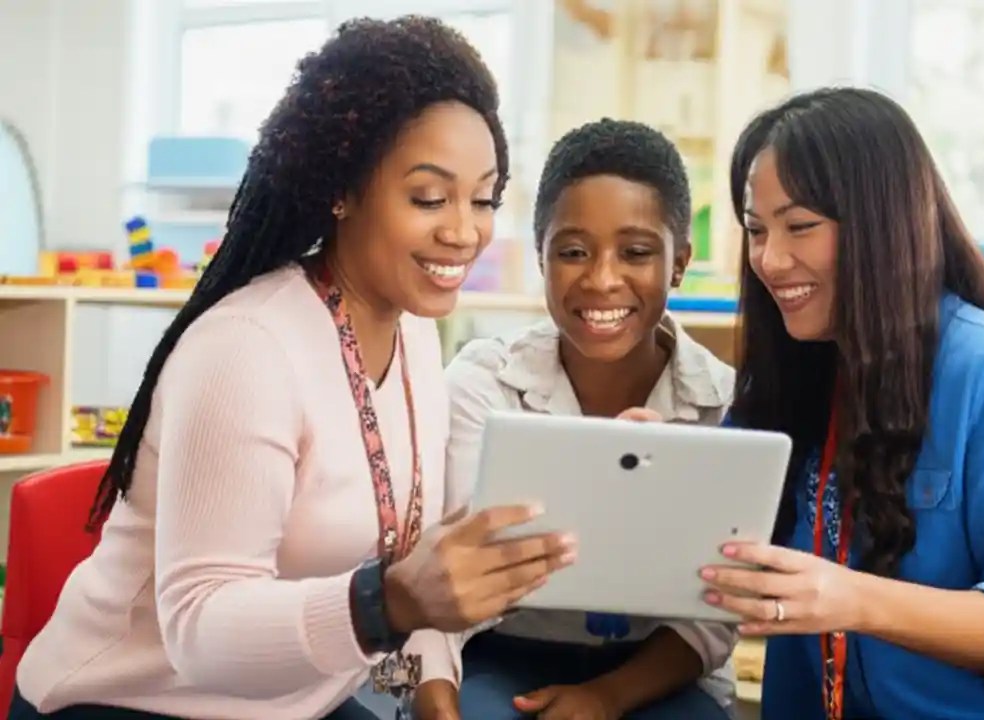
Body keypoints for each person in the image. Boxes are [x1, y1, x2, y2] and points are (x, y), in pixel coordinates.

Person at [12, 17, 575, 720]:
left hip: (291, 705)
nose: (464, 230)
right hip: (130, 702)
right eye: (429, 198)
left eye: (484, 198)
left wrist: (437, 698)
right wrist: (389, 600)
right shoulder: (247, 348)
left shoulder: (416, 338)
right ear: (342, 190)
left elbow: (419, 556)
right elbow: (199, 627)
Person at [697, 88, 984, 719]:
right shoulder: (795, 376)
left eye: (799, 226)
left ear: (880, 225)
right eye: (756, 230)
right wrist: (674, 475)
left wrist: (853, 599)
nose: (770, 260)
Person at [434, 118, 737, 720]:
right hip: (505, 651)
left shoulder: (725, 406)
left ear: (679, 263)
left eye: (636, 252)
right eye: (572, 252)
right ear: (541, 255)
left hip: (662, 665)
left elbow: (714, 615)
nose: (601, 279)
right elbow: (448, 572)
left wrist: (606, 698)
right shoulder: (482, 384)